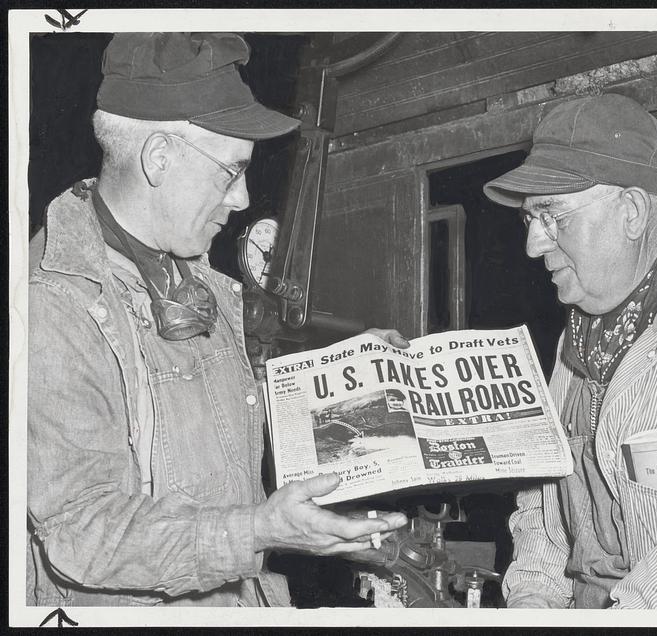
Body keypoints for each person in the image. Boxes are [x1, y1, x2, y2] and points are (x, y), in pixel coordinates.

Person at [27, 32, 408, 607]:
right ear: (159, 157)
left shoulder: (193, 278)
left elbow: (217, 425)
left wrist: (344, 374)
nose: (242, 198)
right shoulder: (54, 305)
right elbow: (86, 532)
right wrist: (262, 531)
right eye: (231, 172)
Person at [483, 93, 657, 609]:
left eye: (553, 216)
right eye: (529, 220)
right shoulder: (575, 339)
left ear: (632, 212)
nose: (533, 245)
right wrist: (532, 600)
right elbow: (544, 513)